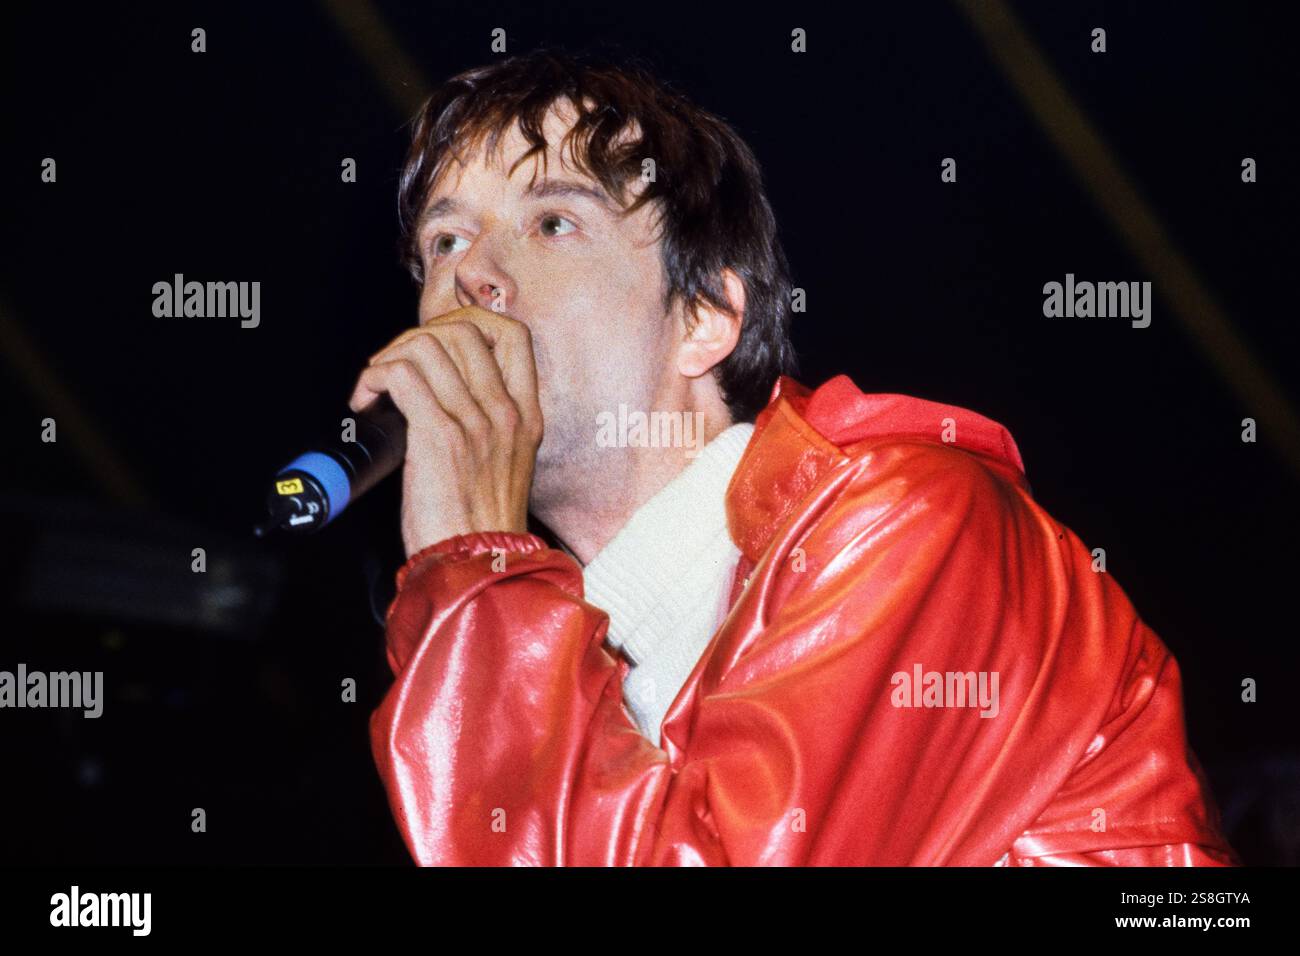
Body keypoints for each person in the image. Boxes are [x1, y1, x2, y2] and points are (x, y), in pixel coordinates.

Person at [355, 50, 1238, 866]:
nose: (473, 276)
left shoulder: (910, 519)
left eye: (552, 221)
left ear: (706, 319)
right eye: (445, 240)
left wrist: (474, 573)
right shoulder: (558, 652)